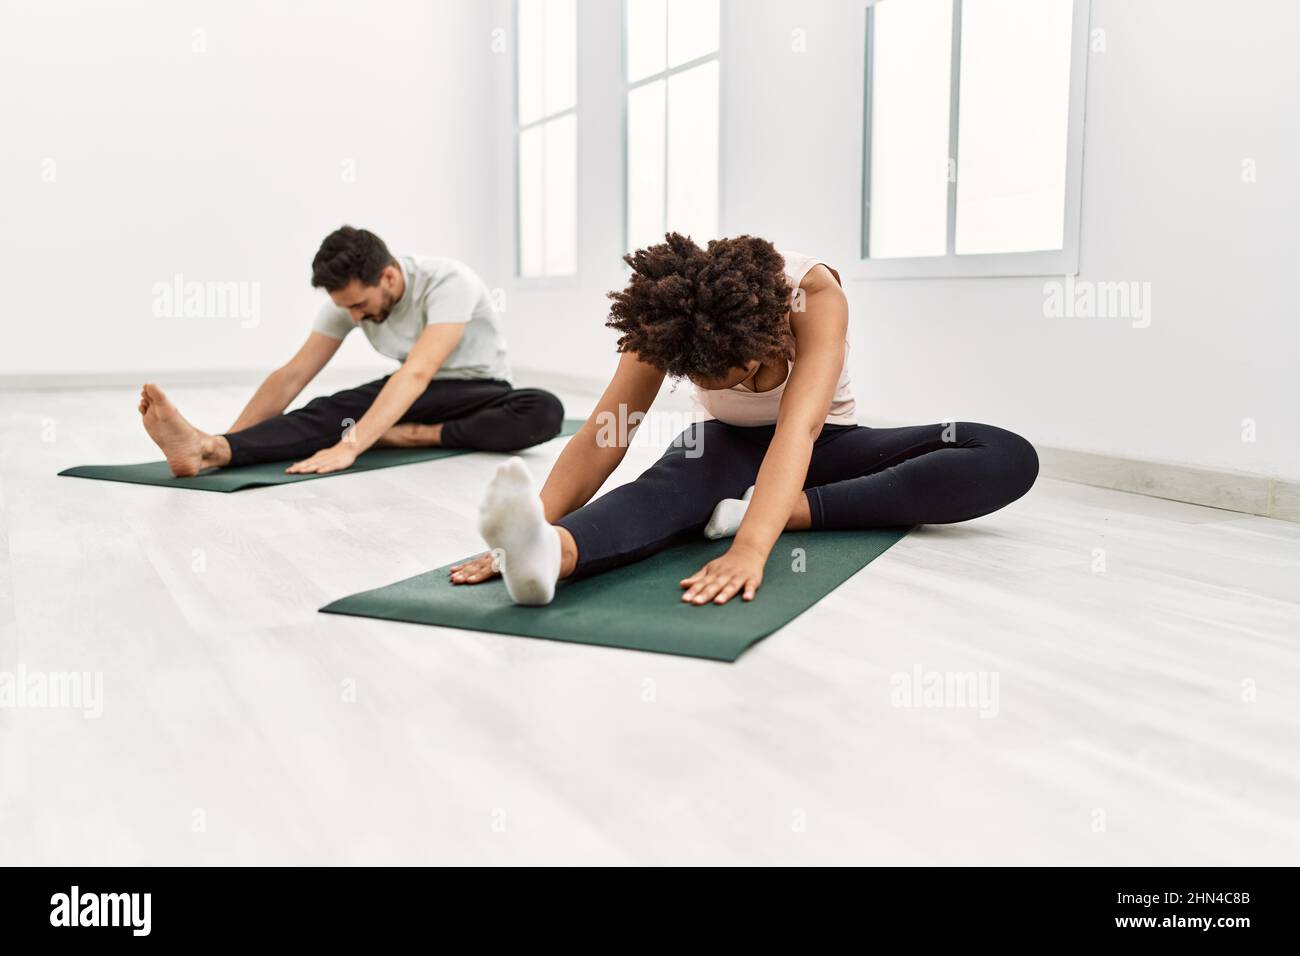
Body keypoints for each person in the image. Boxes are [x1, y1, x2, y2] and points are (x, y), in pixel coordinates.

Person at [450, 233, 1039, 606]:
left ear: (763, 337)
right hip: (722, 450)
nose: (707, 385)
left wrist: (752, 545)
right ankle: (552, 554)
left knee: (1002, 453)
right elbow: (609, 430)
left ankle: (747, 515)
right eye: (693, 376)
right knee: (667, 487)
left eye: (725, 373)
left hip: (827, 447)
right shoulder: (668, 314)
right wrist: (535, 522)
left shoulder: (811, 294)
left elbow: (800, 430)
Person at [137, 226, 564, 476]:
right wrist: (228, 439)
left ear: (390, 277)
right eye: (346, 308)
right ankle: (211, 450)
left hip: (479, 391)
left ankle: (404, 435)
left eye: (359, 305)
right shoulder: (350, 302)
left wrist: (351, 446)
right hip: (413, 393)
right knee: (333, 410)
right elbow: (293, 375)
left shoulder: (450, 281)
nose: (354, 317)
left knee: (543, 409)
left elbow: (418, 372)